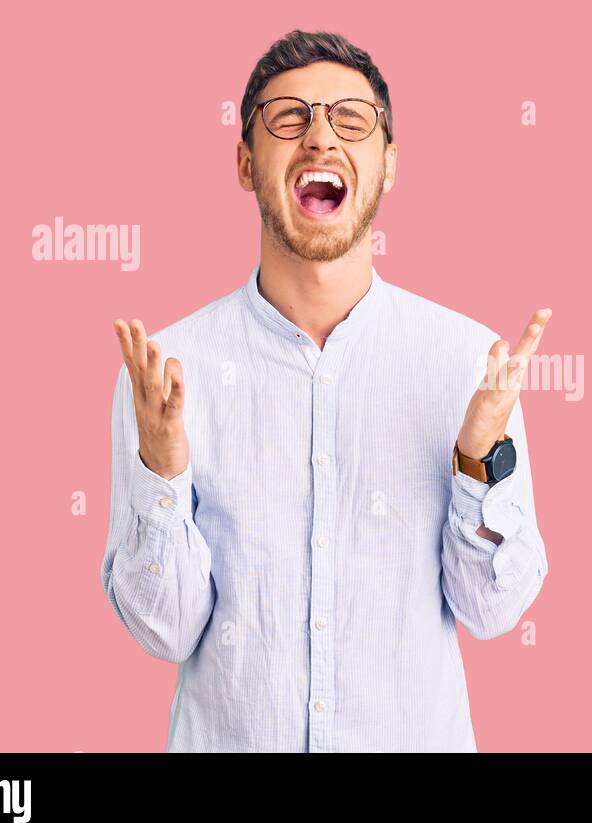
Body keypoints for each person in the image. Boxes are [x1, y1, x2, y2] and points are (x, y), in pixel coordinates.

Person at [100, 30, 551, 752]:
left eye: (350, 119)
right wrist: (163, 471)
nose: (319, 138)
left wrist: (477, 460)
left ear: (388, 164)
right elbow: (166, 630)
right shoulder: (168, 373)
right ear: (247, 164)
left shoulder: (468, 364)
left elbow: (492, 609)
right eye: (289, 118)